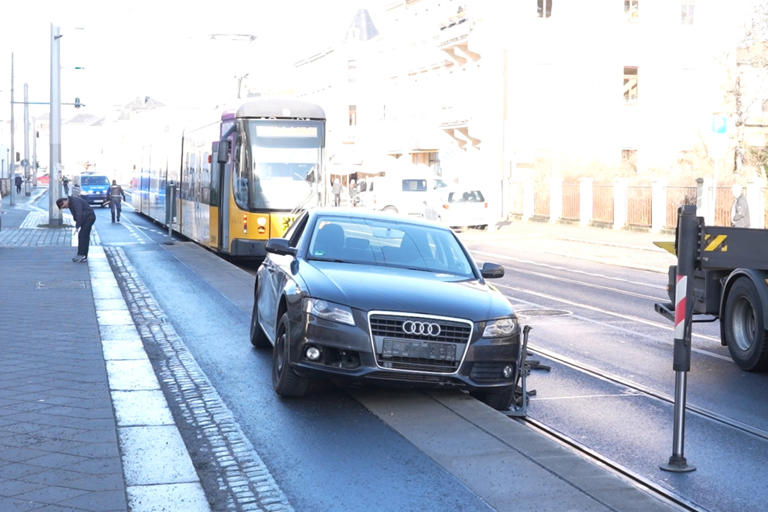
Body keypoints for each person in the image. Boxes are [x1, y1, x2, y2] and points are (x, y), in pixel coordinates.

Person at [56, 195, 95, 262]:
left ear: (64, 201)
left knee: (82, 236)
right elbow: (76, 215)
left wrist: (77, 226)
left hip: (89, 218)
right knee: (83, 236)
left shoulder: (75, 202)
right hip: (86, 218)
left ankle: (82, 255)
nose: (66, 208)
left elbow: (79, 214)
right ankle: (83, 255)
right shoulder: (71, 203)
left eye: (64, 206)